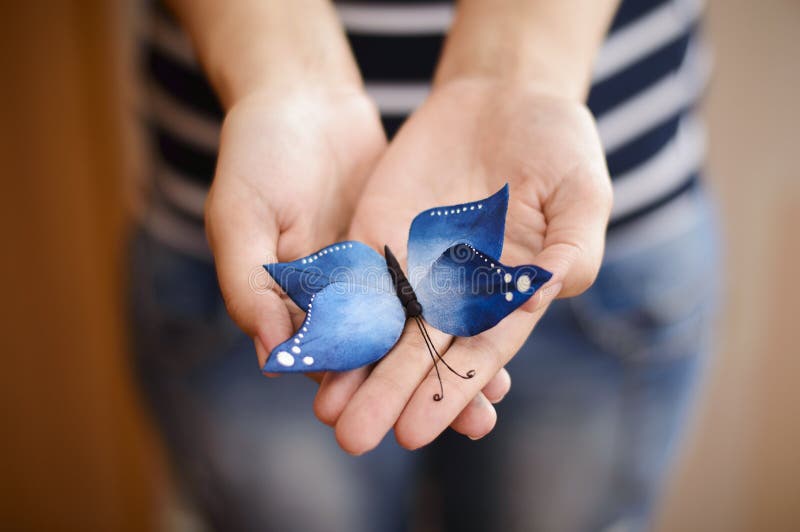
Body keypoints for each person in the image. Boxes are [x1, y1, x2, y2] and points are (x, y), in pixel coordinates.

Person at [131, 0, 719, 530]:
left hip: (614, 238)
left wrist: (518, 71)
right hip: (265, 208)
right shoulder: (438, 293)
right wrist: (283, 74)